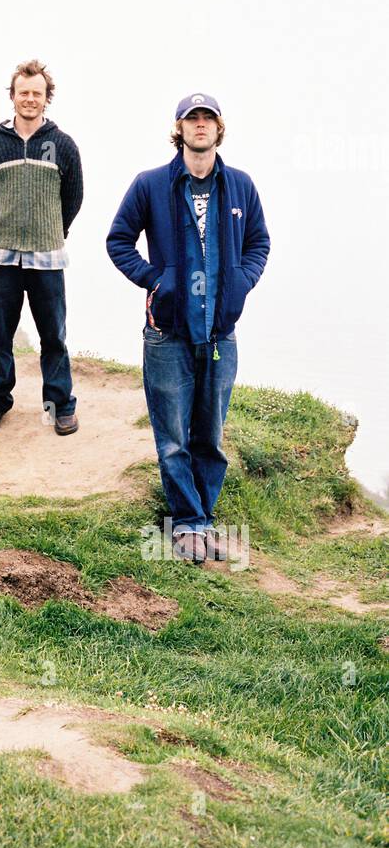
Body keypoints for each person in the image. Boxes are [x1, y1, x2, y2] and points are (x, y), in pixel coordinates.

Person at [106, 94, 270, 563]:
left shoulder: (239, 186)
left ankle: (201, 518)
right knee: (173, 435)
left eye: (208, 119)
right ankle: (187, 524)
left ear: (220, 129)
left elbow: (259, 241)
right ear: (178, 129)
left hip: (220, 332)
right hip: (167, 333)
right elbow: (118, 240)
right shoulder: (151, 184)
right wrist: (156, 280)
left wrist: (242, 280)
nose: (200, 126)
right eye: (191, 119)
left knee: (211, 435)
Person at [0, 59, 83, 436]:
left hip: (47, 257)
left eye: (37, 93)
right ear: (12, 96)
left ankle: (59, 405)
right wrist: (10, 225)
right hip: (3, 255)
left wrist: (52, 230)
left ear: (46, 97)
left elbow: (73, 198)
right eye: (24, 93)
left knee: (53, 335)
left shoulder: (62, 145)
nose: (30, 99)